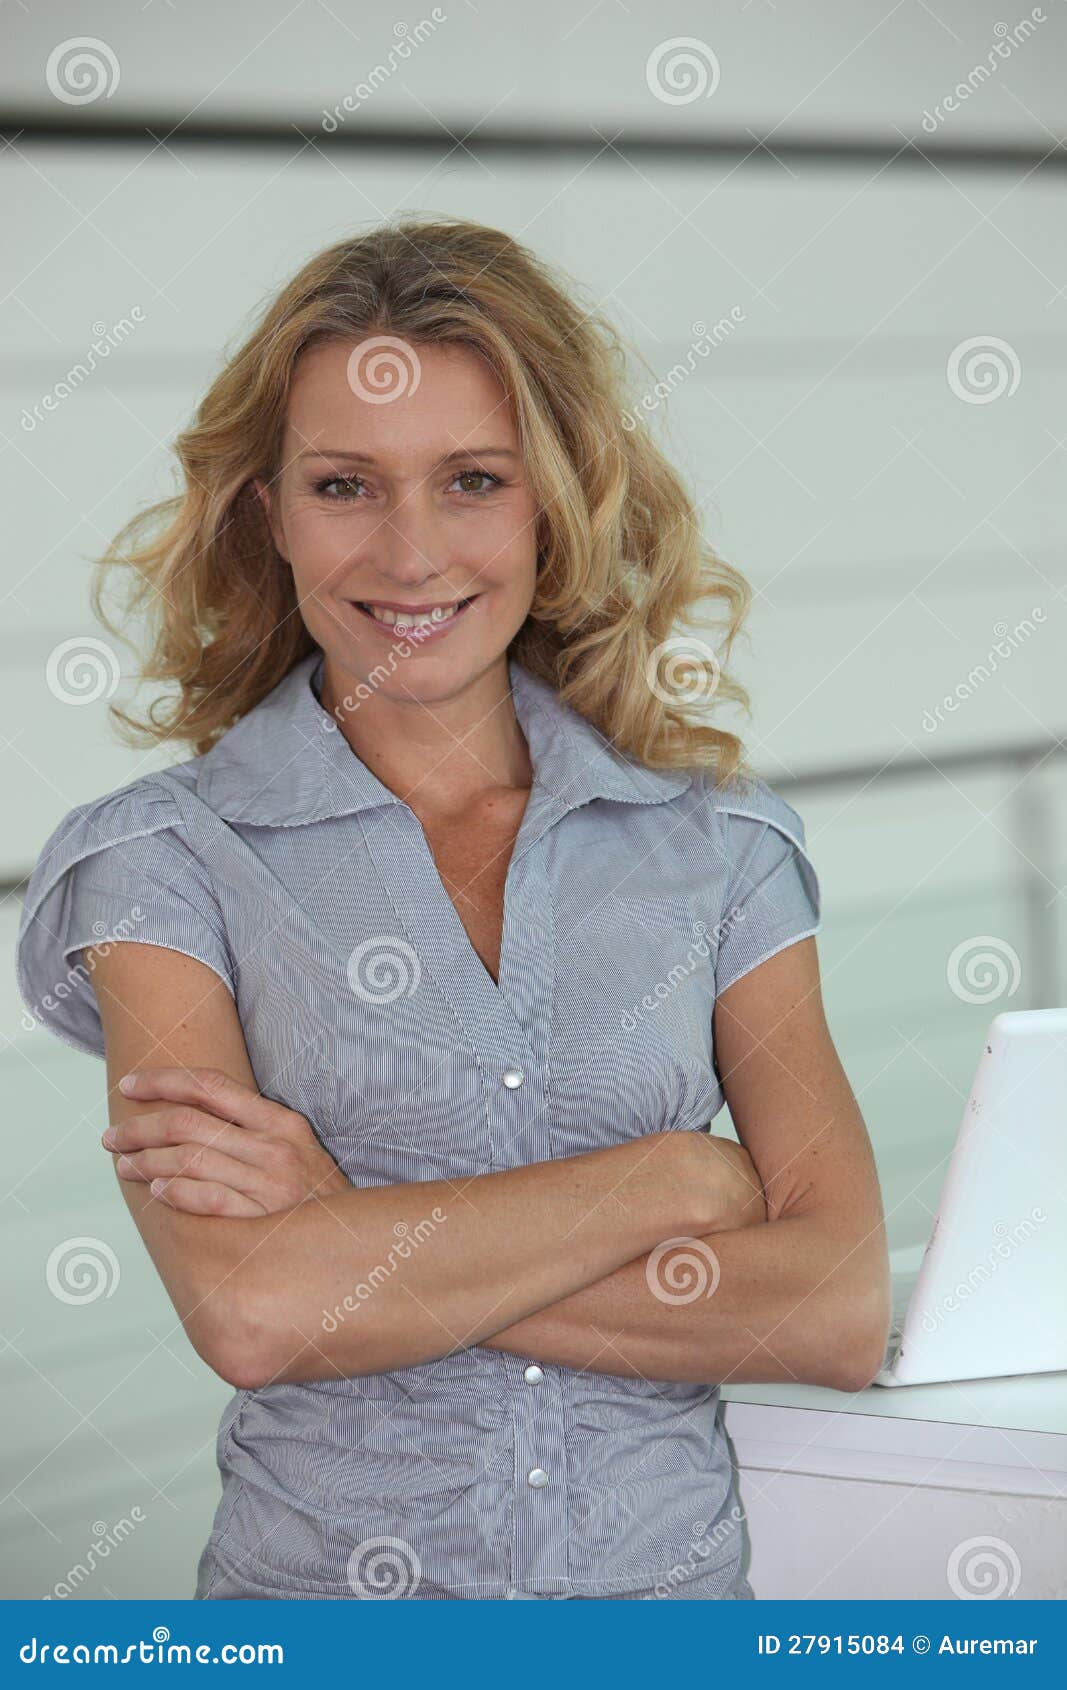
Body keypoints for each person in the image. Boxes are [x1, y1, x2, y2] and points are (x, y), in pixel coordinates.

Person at [16, 216, 890, 1601]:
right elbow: (254, 1309)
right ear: (268, 513)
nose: (411, 553)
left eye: (474, 479)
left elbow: (835, 1309)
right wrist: (675, 1181)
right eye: (345, 485)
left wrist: (357, 1235)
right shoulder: (163, 862)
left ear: (555, 503)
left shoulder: (718, 848)